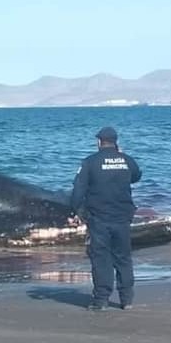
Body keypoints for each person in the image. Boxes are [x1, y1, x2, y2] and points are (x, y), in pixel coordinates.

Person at [70, 126, 142, 311]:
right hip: (123, 217)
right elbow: (136, 176)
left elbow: (78, 190)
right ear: (116, 142)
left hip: (99, 217)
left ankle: (101, 300)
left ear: (98, 142)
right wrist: (121, 158)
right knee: (123, 257)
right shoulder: (127, 160)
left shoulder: (90, 162)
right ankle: (126, 300)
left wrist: (75, 211)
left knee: (101, 258)